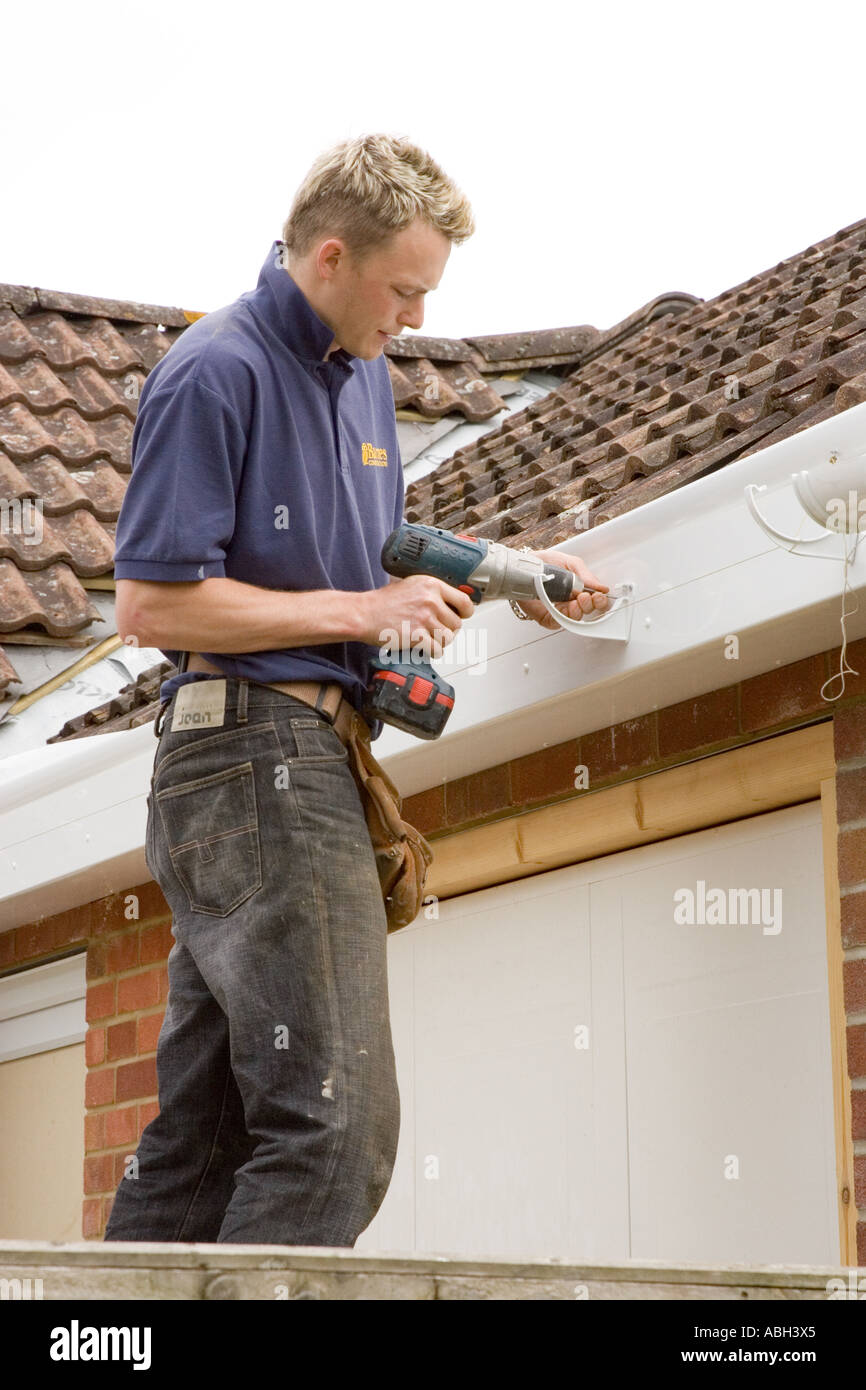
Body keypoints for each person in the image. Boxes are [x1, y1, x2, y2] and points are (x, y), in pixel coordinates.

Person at [103, 132, 607, 1249]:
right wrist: (360, 615)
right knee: (334, 1125)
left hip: (284, 764)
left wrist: (519, 573)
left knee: (204, 1137)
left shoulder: (364, 378)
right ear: (329, 256)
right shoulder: (214, 370)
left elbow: (376, 543)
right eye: (404, 290)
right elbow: (151, 607)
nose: (416, 318)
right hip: (253, 762)